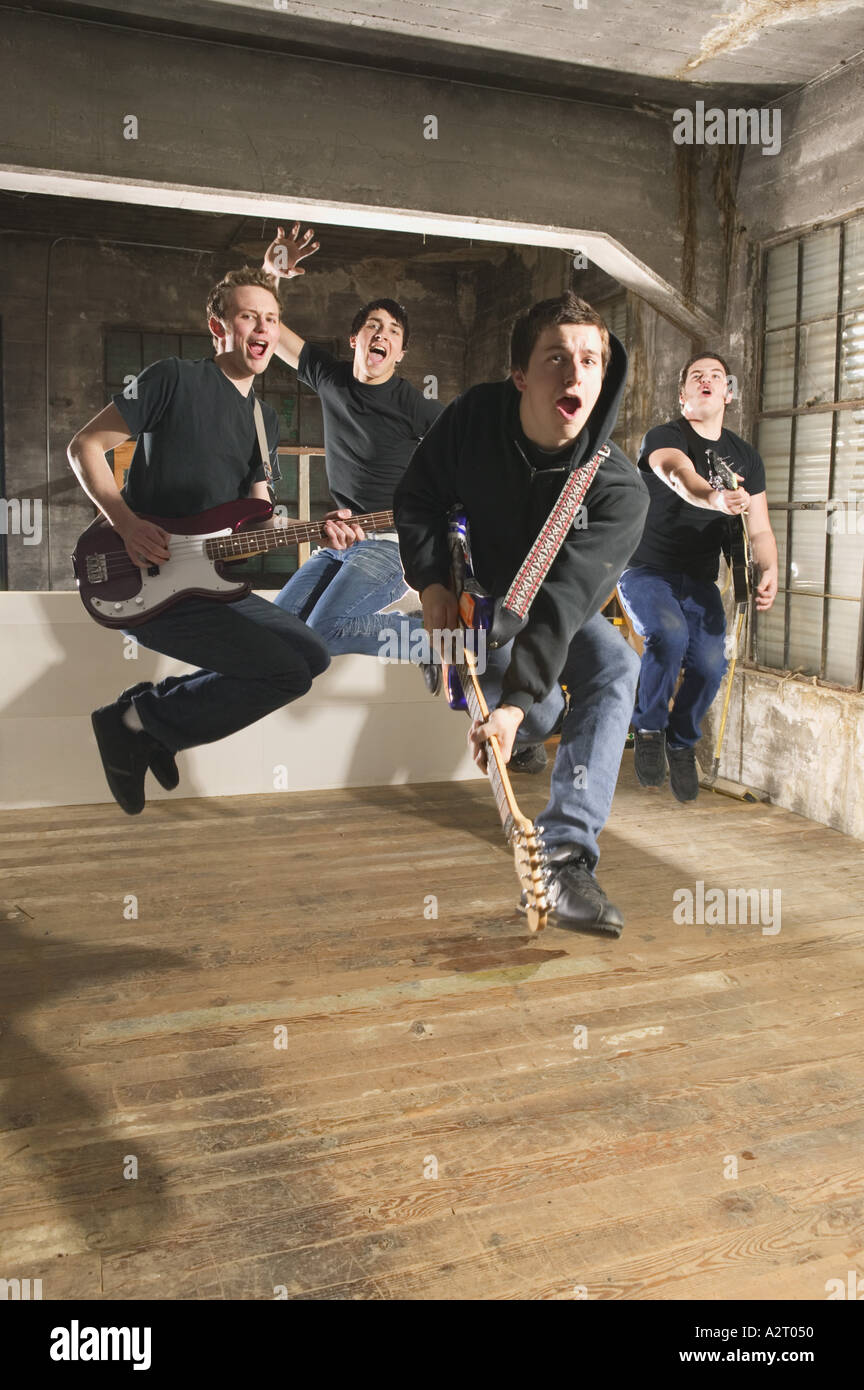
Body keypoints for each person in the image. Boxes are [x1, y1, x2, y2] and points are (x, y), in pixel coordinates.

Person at [395, 294, 649, 935]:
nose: (575, 375)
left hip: (545, 612)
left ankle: (565, 860)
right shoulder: (475, 418)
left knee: (612, 665)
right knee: (535, 713)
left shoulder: (617, 491)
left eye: (590, 360)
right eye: (557, 358)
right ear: (522, 376)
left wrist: (512, 705)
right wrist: (431, 592)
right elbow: (418, 496)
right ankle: (470, 677)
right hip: (476, 601)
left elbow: (564, 604)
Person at [67, 266, 359, 815]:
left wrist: (319, 533)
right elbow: (84, 447)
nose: (263, 327)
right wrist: (126, 524)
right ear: (217, 327)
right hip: (144, 582)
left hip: (210, 581)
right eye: (249, 315)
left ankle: (144, 720)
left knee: (311, 654)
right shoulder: (171, 377)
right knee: (284, 670)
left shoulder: (262, 419)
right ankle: (138, 725)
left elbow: (257, 527)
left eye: (271, 318)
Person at [260, 225, 444, 693]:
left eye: (394, 333)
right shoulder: (331, 377)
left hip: (389, 544)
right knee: (275, 631)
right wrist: (270, 272)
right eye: (373, 327)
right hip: (339, 542)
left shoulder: (413, 405)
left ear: (399, 354)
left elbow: (468, 444)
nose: (382, 335)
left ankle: (431, 638)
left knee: (325, 630)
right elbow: (269, 328)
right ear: (355, 340)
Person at [617, 353, 778, 802]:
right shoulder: (666, 437)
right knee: (666, 636)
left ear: (727, 393)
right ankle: (648, 728)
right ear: (683, 395)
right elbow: (678, 476)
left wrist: (771, 569)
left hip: (699, 579)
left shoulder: (746, 456)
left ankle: (682, 743)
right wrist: (715, 498)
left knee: (710, 665)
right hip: (646, 570)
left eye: (715, 377)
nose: (706, 381)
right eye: (695, 377)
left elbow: (761, 528)